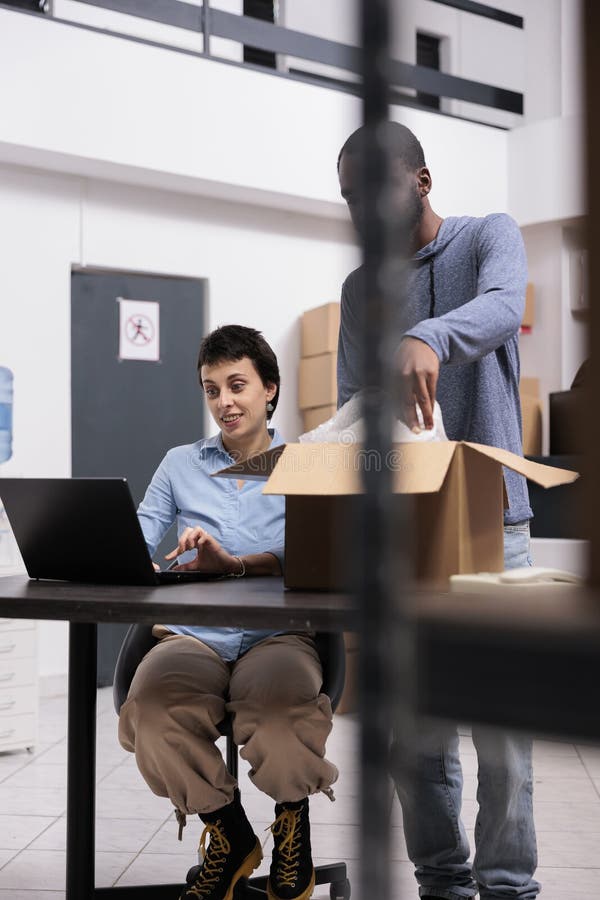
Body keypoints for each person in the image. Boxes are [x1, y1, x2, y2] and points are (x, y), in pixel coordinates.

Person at [336, 123, 539, 900]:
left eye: (372, 190)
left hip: (496, 528)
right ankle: (442, 884)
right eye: (348, 196)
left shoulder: (489, 236)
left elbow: (499, 308)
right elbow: (359, 401)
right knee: (414, 738)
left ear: (420, 182)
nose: (360, 211)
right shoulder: (361, 290)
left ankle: (510, 887)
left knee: (505, 741)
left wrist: (426, 334)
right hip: (410, 535)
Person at [118, 325, 338, 900]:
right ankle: (231, 832)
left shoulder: (306, 463)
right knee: (152, 709)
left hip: (278, 637)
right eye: (211, 390)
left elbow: (323, 553)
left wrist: (234, 563)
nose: (224, 402)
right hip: (193, 636)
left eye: (237, 385)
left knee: (281, 712)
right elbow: (135, 541)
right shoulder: (179, 463)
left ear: (270, 389)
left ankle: (292, 821)